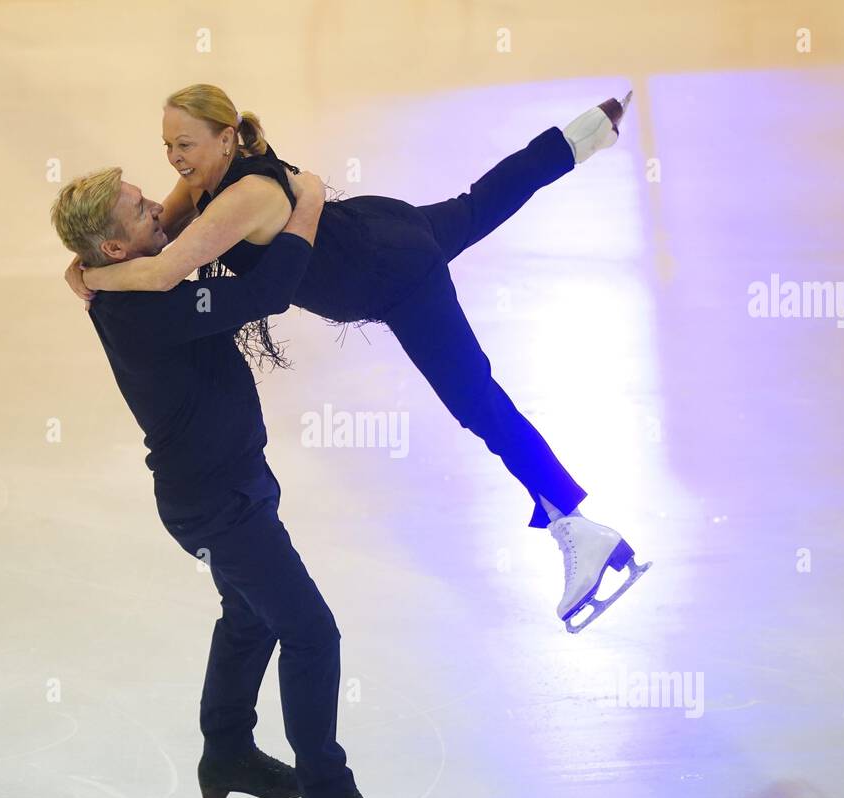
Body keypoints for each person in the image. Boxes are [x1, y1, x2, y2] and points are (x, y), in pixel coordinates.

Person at [66, 84, 651, 634]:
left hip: (393, 274)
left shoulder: (244, 196)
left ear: (224, 138)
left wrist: (89, 272)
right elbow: (157, 237)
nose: (174, 157)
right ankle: (587, 133)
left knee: (475, 399)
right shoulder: (203, 183)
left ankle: (571, 520)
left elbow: (166, 269)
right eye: (167, 145)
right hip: (384, 229)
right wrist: (88, 263)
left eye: (185, 144)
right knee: (478, 205)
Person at [51, 165, 395, 798]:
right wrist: (310, 203)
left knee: (249, 615)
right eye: (141, 209)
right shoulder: (145, 304)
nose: (159, 209)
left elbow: (144, 247)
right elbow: (270, 291)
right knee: (310, 632)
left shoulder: (136, 273)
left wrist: (83, 271)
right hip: (214, 504)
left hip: (230, 483)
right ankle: (327, 790)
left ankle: (229, 751)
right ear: (116, 251)